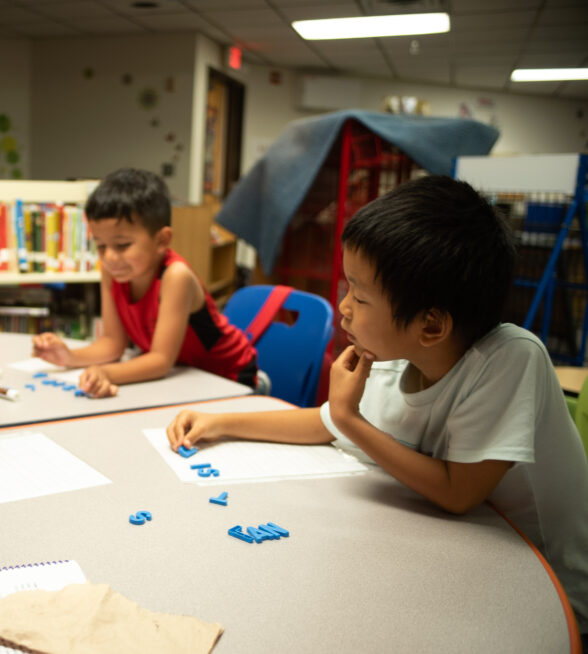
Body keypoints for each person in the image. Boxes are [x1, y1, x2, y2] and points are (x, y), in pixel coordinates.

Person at [166, 175, 588, 643]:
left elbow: (457, 492)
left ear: (431, 325)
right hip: (457, 557)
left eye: (360, 296)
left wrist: (351, 418)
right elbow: (325, 422)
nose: (343, 308)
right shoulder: (398, 352)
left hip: (547, 594)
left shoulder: (510, 359)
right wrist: (222, 421)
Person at [31, 168, 258, 398]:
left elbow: (160, 361)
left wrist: (105, 372)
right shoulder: (112, 272)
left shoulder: (175, 276)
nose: (109, 257)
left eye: (122, 245)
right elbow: (112, 343)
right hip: (185, 376)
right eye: (100, 245)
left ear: (162, 240)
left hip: (230, 375)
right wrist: (69, 356)